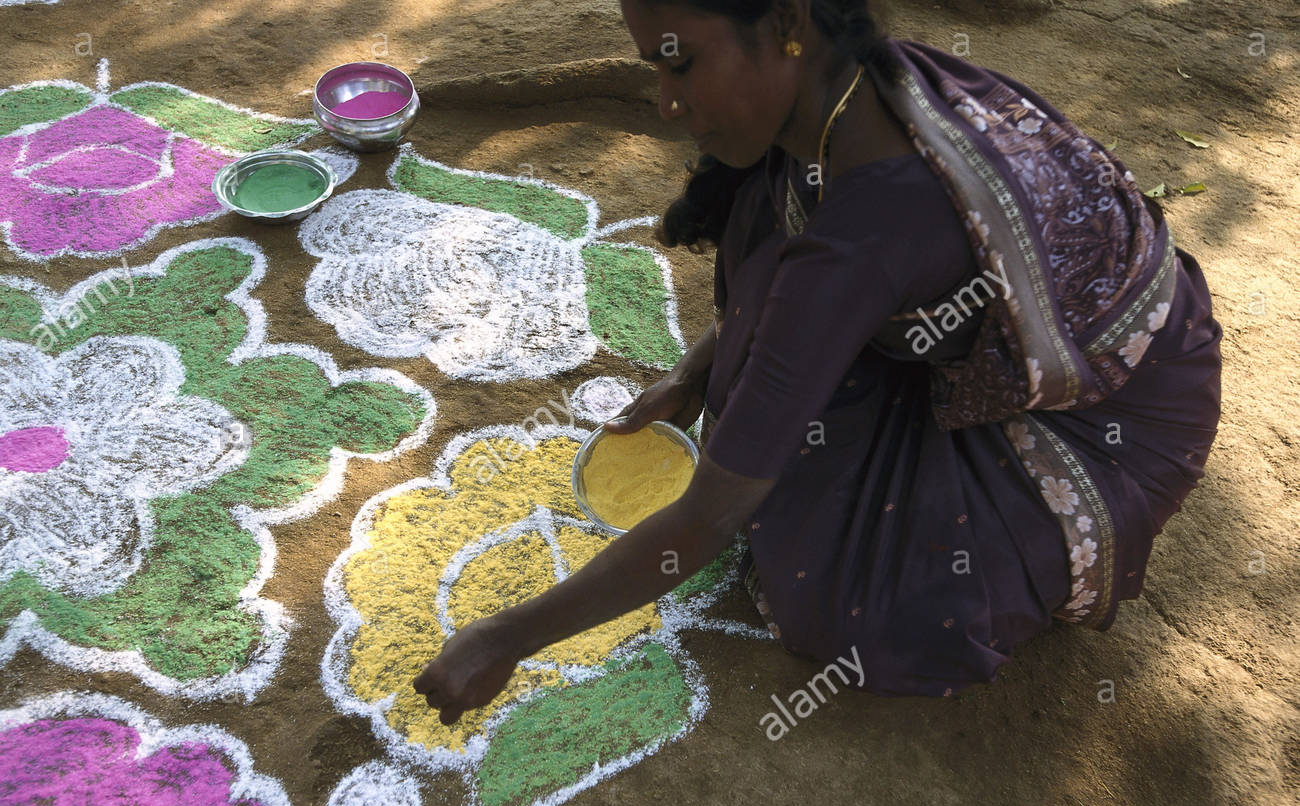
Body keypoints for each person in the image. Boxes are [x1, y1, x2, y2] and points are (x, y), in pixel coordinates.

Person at [413, 0, 1222, 722]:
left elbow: (710, 515)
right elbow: (788, 295)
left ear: (789, 26)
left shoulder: (864, 232)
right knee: (780, 403)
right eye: (654, 69)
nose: (666, 104)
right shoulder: (850, 93)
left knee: (850, 598)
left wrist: (505, 635)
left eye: (682, 62)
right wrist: (696, 375)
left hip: (1109, 424)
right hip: (1008, 348)